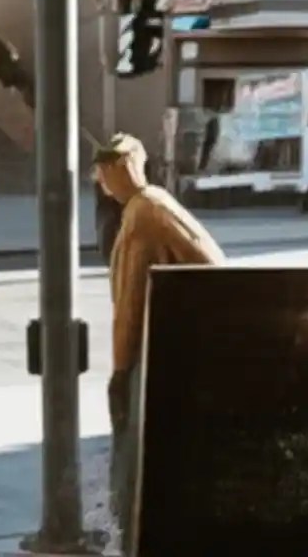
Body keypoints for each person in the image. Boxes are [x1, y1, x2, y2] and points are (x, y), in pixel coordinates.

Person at [94, 133, 225, 538]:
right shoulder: (151, 204)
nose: (103, 181)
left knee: (139, 455)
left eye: (105, 172)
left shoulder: (143, 213)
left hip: (157, 357)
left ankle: (135, 531)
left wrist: (119, 369)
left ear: (121, 170)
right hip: (180, 349)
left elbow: (131, 303)